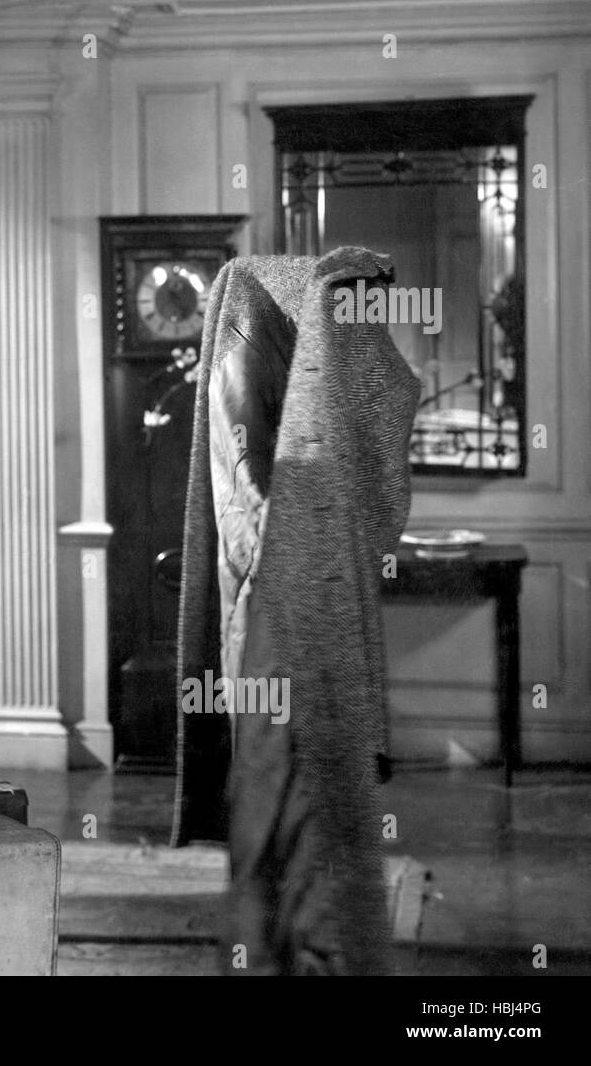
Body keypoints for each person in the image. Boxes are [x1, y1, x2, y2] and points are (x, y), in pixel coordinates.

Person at [171, 247, 419, 974]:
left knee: (307, 832)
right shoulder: (271, 322)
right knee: (291, 832)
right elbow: (250, 516)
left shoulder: (310, 344)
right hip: (277, 626)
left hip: (294, 620)